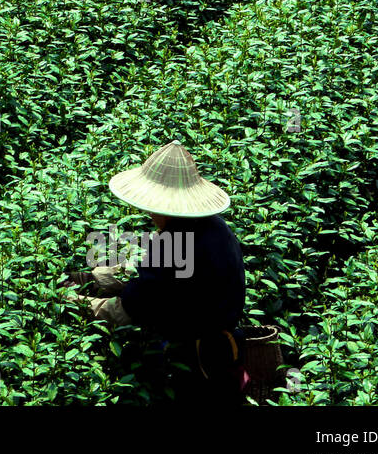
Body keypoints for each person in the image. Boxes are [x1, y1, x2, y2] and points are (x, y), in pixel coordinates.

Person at [67, 141, 246, 405]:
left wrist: (72, 303)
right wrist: (94, 278)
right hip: (223, 343)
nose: (149, 212)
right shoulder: (213, 226)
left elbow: (131, 307)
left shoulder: (176, 241)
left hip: (194, 360)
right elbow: (152, 269)